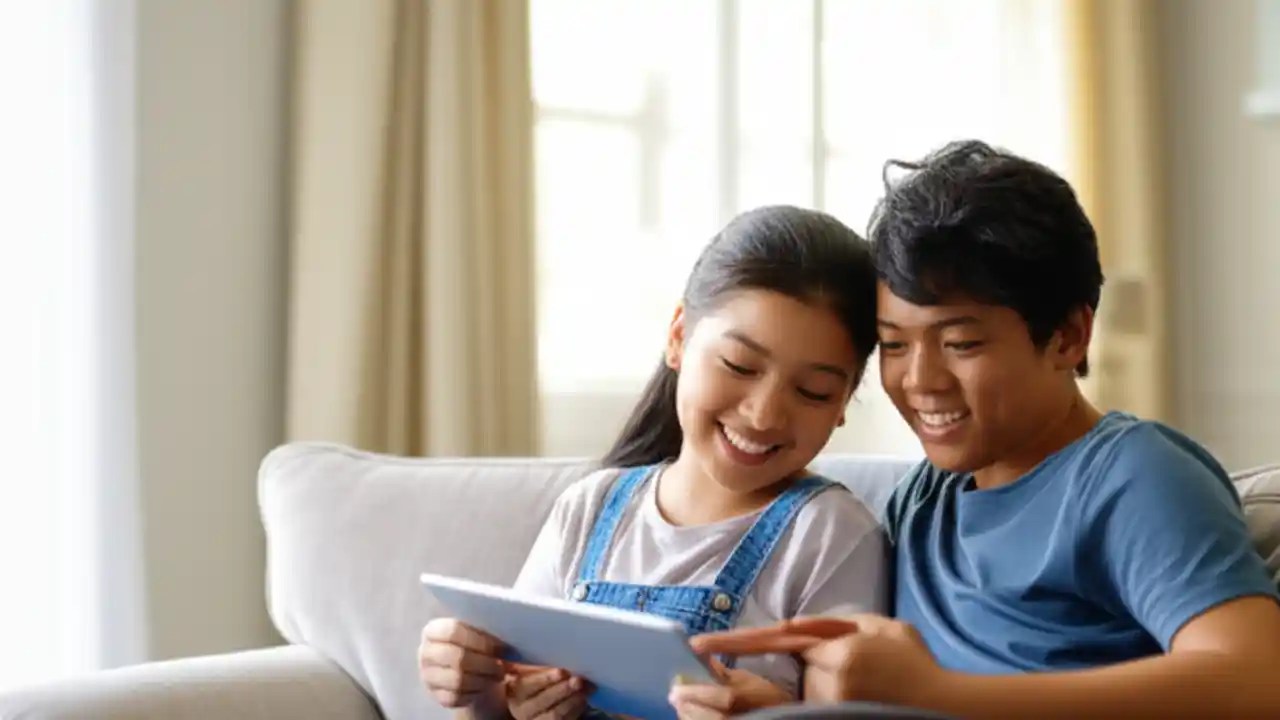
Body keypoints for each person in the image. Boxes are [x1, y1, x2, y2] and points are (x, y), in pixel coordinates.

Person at [684, 141, 1280, 719]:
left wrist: (938, 695)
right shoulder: (922, 501)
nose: (921, 380)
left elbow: (1257, 679)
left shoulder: (1132, 476)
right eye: (893, 345)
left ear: (1068, 337)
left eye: (960, 343)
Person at [418, 206, 891, 720]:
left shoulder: (830, 534)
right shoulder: (589, 508)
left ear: (844, 401)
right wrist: (478, 690)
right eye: (739, 365)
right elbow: (510, 698)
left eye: (812, 391)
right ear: (678, 337)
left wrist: (773, 715)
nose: (764, 414)